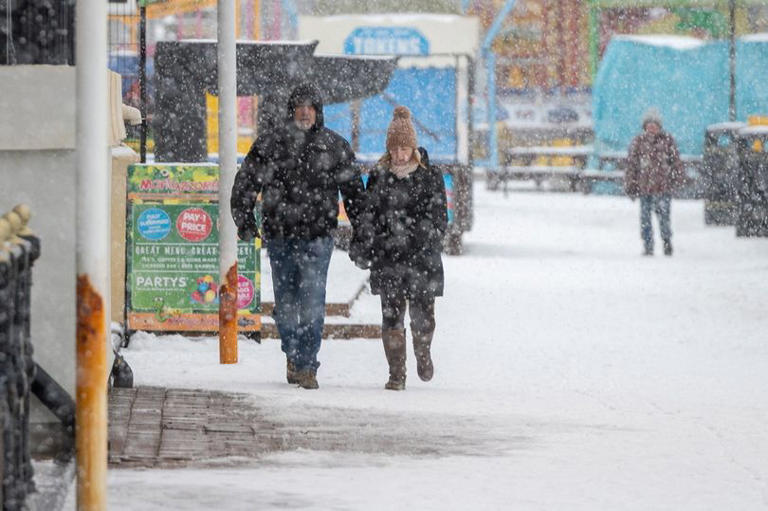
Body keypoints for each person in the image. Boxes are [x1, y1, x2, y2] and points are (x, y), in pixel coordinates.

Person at [231, 83, 365, 389]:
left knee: (313, 302)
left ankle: (307, 364)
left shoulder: (334, 146)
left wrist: (362, 231)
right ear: (292, 110)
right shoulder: (272, 144)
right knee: (287, 305)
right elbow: (246, 182)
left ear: (318, 111)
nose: (305, 111)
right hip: (280, 237)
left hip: (318, 237)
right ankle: (292, 352)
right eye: (300, 106)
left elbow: (355, 193)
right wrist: (245, 219)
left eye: (310, 106)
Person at [351, 106, 447, 391]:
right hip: (389, 258)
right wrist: (367, 243)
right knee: (391, 319)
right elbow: (369, 215)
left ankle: (422, 352)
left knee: (423, 317)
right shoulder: (379, 177)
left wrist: (419, 236)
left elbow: (439, 217)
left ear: (413, 148)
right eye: (395, 149)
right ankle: (396, 373)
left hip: (421, 259)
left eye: (405, 148)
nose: (400, 154)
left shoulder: (430, 176)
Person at [625, 108, 685, 256]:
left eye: (654, 124)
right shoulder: (638, 142)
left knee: (664, 217)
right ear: (644, 126)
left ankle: (666, 241)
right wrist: (631, 185)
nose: (651, 127)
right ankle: (648, 245)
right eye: (649, 124)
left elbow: (676, 162)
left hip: (663, 188)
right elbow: (632, 166)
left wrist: (678, 179)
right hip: (645, 188)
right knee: (645, 219)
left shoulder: (667, 141)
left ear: (659, 126)